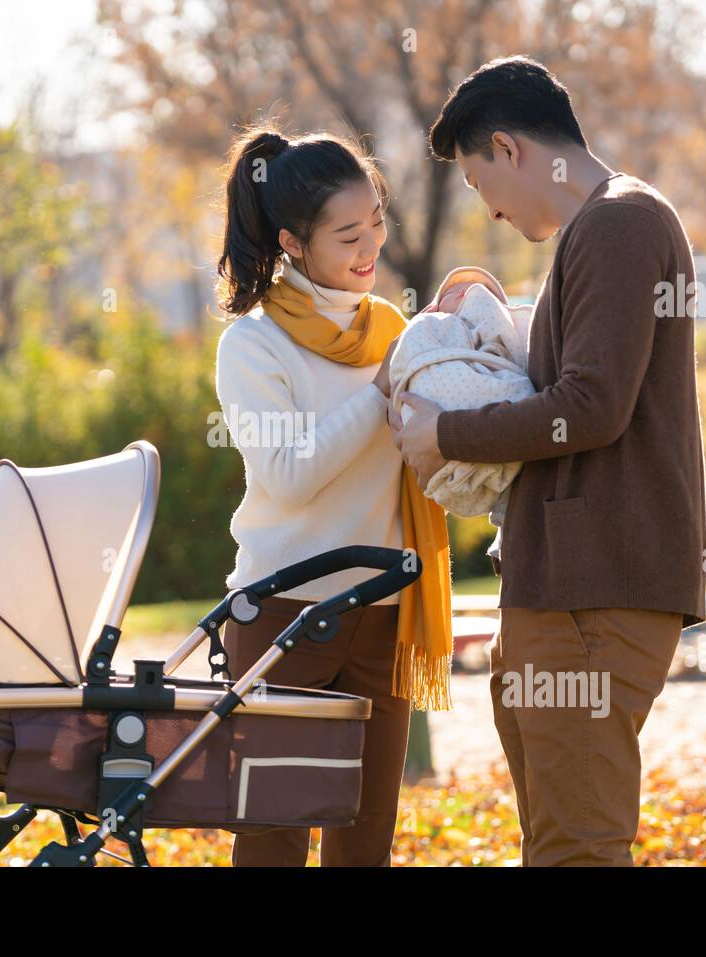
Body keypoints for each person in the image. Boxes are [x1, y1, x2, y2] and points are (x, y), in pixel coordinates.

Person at [391, 55, 706, 866]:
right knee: (555, 844)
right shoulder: (604, 227)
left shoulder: (619, 223)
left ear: (509, 147)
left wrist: (445, 436)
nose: (489, 210)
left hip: (594, 593)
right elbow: (582, 380)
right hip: (565, 589)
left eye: (477, 181)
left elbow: (591, 406)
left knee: (575, 850)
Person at [212, 125, 453, 866]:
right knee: (273, 844)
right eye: (347, 233)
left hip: (382, 612)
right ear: (293, 242)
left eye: (376, 222)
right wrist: (381, 391)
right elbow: (287, 474)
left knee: (364, 843)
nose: (369, 246)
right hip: (282, 614)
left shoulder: (394, 331)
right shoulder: (253, 345)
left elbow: (433, 462)